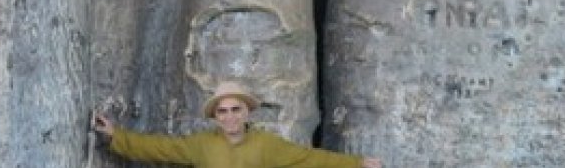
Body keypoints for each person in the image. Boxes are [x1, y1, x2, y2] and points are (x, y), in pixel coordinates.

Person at [93, 81, 382, 168]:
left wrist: (356, 163)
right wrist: (115, 134)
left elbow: (309, 159)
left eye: (235, 109)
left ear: (246, 113)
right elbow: (159, 148)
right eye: (222, 111)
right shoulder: (201, 145)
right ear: (215, 116)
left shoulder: (266, 144)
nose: (229, 116)